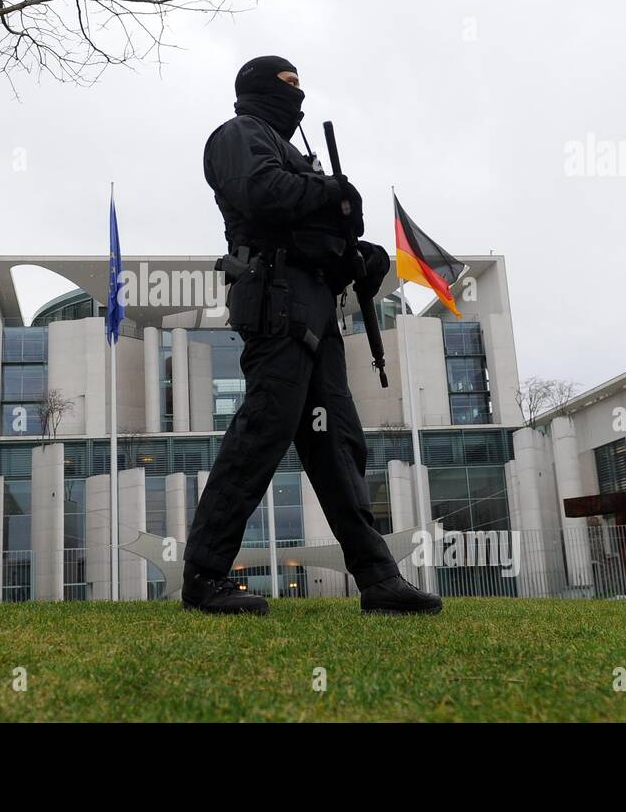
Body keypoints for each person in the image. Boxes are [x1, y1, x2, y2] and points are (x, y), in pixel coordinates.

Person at [181, 55, 443, 617]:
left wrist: (356, 255)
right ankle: (204, 576)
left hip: (315, 312)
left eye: (301, 85)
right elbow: (261, 194)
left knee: (337, 445)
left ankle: (377, 578)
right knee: (262, 432)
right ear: (256, 89)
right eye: (286, 84)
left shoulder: (292, 152)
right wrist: (330, 193)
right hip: (276, 306)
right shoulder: (238, 135)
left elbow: (311, 231)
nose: (297, 95)